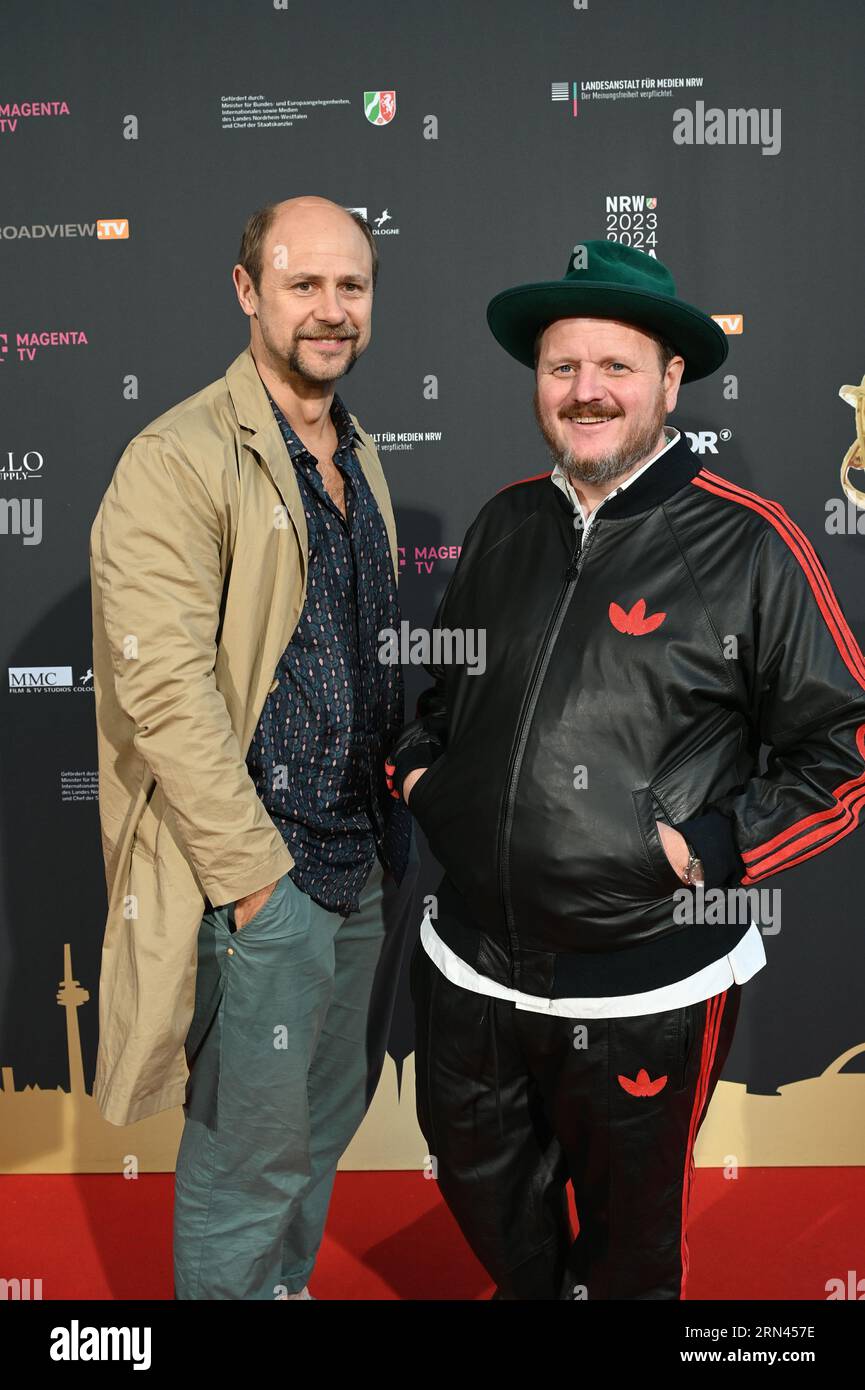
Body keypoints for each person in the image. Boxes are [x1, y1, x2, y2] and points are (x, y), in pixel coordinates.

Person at [385, 239, 865, 1300]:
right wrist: (423, 776)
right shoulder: (505, 521)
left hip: (645, 977)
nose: (585, 391)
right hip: (470, 967)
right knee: (487, 1199)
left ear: (668, 380)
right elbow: (436, 699)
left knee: (631, 1253)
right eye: (562, 368)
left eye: (614, 366)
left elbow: (846, 747)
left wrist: (711, 847)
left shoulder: (752, 542)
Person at [89, 196, 418, 1300]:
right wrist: (253, 887)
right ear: (248, 293)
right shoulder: (176, 457)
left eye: (352, 287)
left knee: (312, 1149)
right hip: (263, 882)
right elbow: (164, 692)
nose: (331, 311)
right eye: (304, 285)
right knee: (246, 1172)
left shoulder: (356, 452)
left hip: (359, 868)